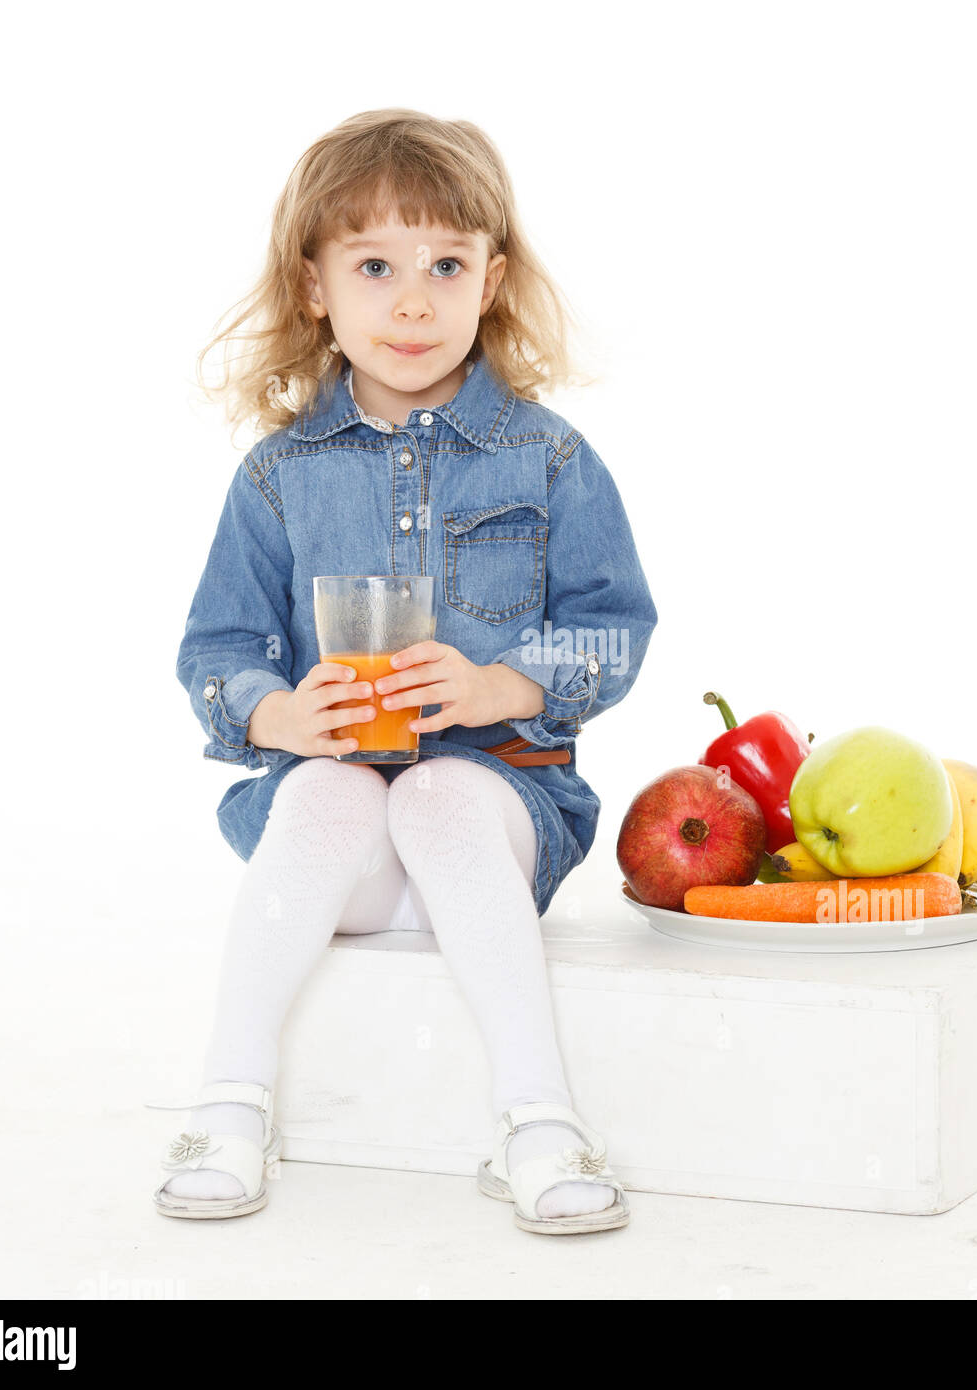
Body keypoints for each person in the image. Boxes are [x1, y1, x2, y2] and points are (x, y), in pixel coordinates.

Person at [149, 109, 658, 1235]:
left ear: (493, 276)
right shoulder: (280, 478)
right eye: (375, 266)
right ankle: (229, 1103)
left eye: (445, 263)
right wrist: (280, 713)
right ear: (316, 285)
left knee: (436, 791)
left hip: (501, 809)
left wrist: (503, 687)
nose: (414, 300)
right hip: (353, 855)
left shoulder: (548, 458)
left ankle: (538, 1118)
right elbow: (218, 650)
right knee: (329, 791)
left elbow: (613, 623)